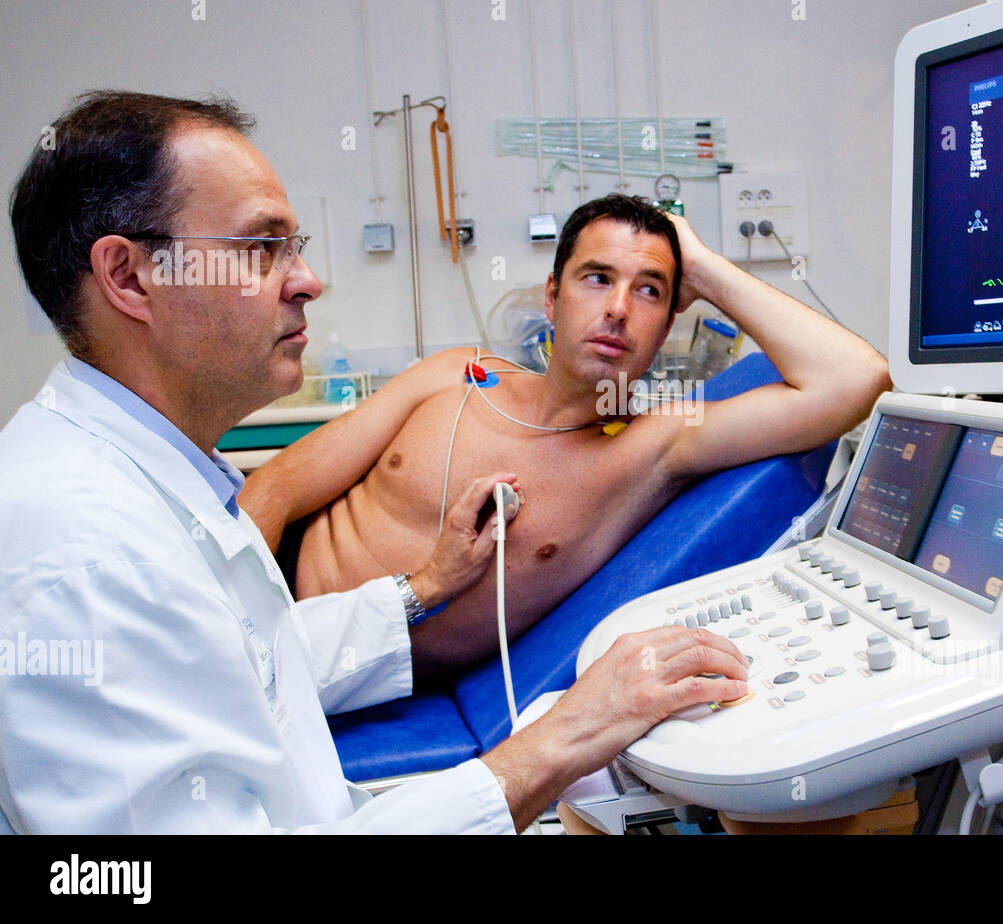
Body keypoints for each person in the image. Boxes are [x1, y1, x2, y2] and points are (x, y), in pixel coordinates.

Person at [0, 90, 751, 834]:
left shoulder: (155, 485)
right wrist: (563, 741)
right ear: (132, 278)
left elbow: (260, 663)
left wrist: (424, 588)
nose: (307, 281)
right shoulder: (89, 556)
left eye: (651, 288)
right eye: (262, 248)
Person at [242, 196, 890, 677]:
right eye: (597, 278)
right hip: (259, 593)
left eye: (650, 291)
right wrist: (231, 634)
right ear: (552, 298)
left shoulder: (655, 445)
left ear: (666, 329)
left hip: (353, 674)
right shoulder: (456, 375)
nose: (617, 309)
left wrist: (706, 267)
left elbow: (855, 379)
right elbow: (274, 489)